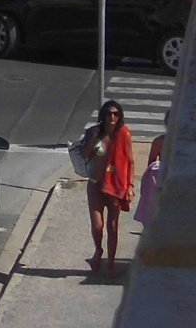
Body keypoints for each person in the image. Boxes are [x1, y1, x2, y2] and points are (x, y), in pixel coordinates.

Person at [81, 100, 135, 273]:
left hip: (116, 186)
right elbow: (84, 155)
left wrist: (130, 186)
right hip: (95, 184)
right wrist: (93, 138)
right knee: (97, 225)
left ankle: (111, 263)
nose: (112, 117)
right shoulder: (94, 133)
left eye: (116, 114)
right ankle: (99, 250)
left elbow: (130, 161)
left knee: (112, 226)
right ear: (103, 116)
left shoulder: (124, 134)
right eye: (108, 113)